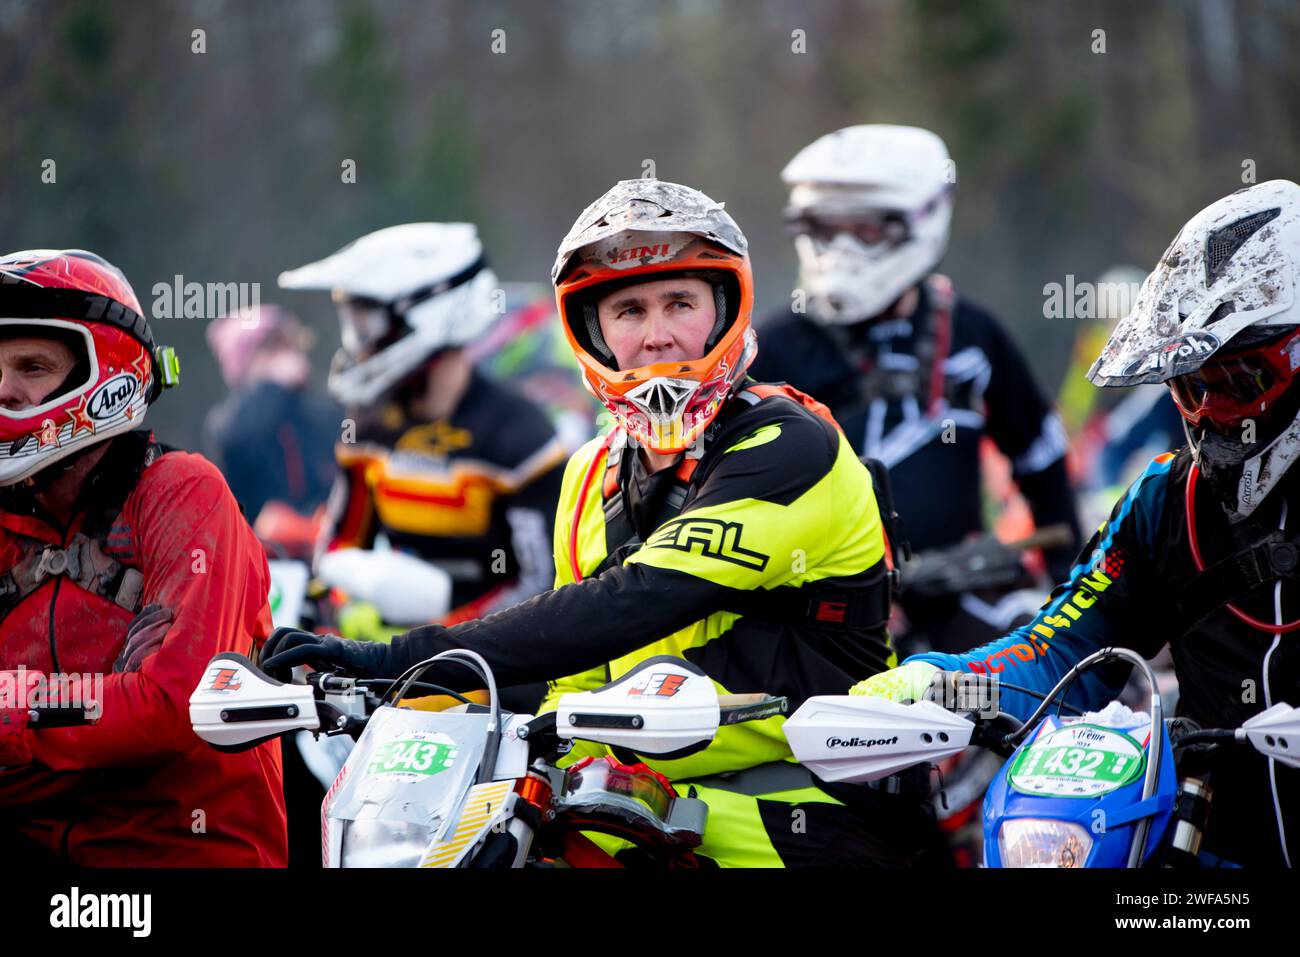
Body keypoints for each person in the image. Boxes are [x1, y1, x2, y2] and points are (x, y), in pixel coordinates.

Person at [263, 179, 951, 867]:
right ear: (593, 330)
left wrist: (398, 657)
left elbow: (635, 600)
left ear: (724, 310)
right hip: (651, 797)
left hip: (813, 804)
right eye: (628, 310)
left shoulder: (791, 445)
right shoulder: (591, 469)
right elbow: (573, 674)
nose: (655, 335)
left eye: (680, 302)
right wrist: (381, 692)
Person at [854, 180, 1300, 868]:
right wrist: (935, 684)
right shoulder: (1164, 503)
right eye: (1190, 385)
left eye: (1240, 380)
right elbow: (1059, 655)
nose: (1211, 411)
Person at [0, 249, 286, 866]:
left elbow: (173, 705)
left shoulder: (180, 492)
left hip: (177, 853)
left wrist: (14, 708)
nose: (3, 389)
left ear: (103, 377)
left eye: (32, 367)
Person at [750, 125, 1081, 653]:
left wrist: (1074, 588)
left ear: (921, 221)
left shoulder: (973, 336)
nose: (841, 250)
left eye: (866, 230)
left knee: (1043, 684)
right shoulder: (773, 348)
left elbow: (1040, 458)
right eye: (824, 229)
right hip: (823, 604)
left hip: (959, 593)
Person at [278, 224, 566, 657]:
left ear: (432, 316)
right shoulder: (368, 422)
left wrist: (441, 639)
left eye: (368, 325)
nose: (360, 345)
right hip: (384, 657)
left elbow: (541, 583)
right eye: (352, 326)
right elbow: (338, 545)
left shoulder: (520, 436)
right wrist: (345, 610)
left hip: (495, 666)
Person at [204, 304, 341, 525]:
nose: (285, 355)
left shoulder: (311, 410)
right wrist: (272, 387)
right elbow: (235, 442)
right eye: (270, 347)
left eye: (286, 343)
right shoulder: (228, 422)